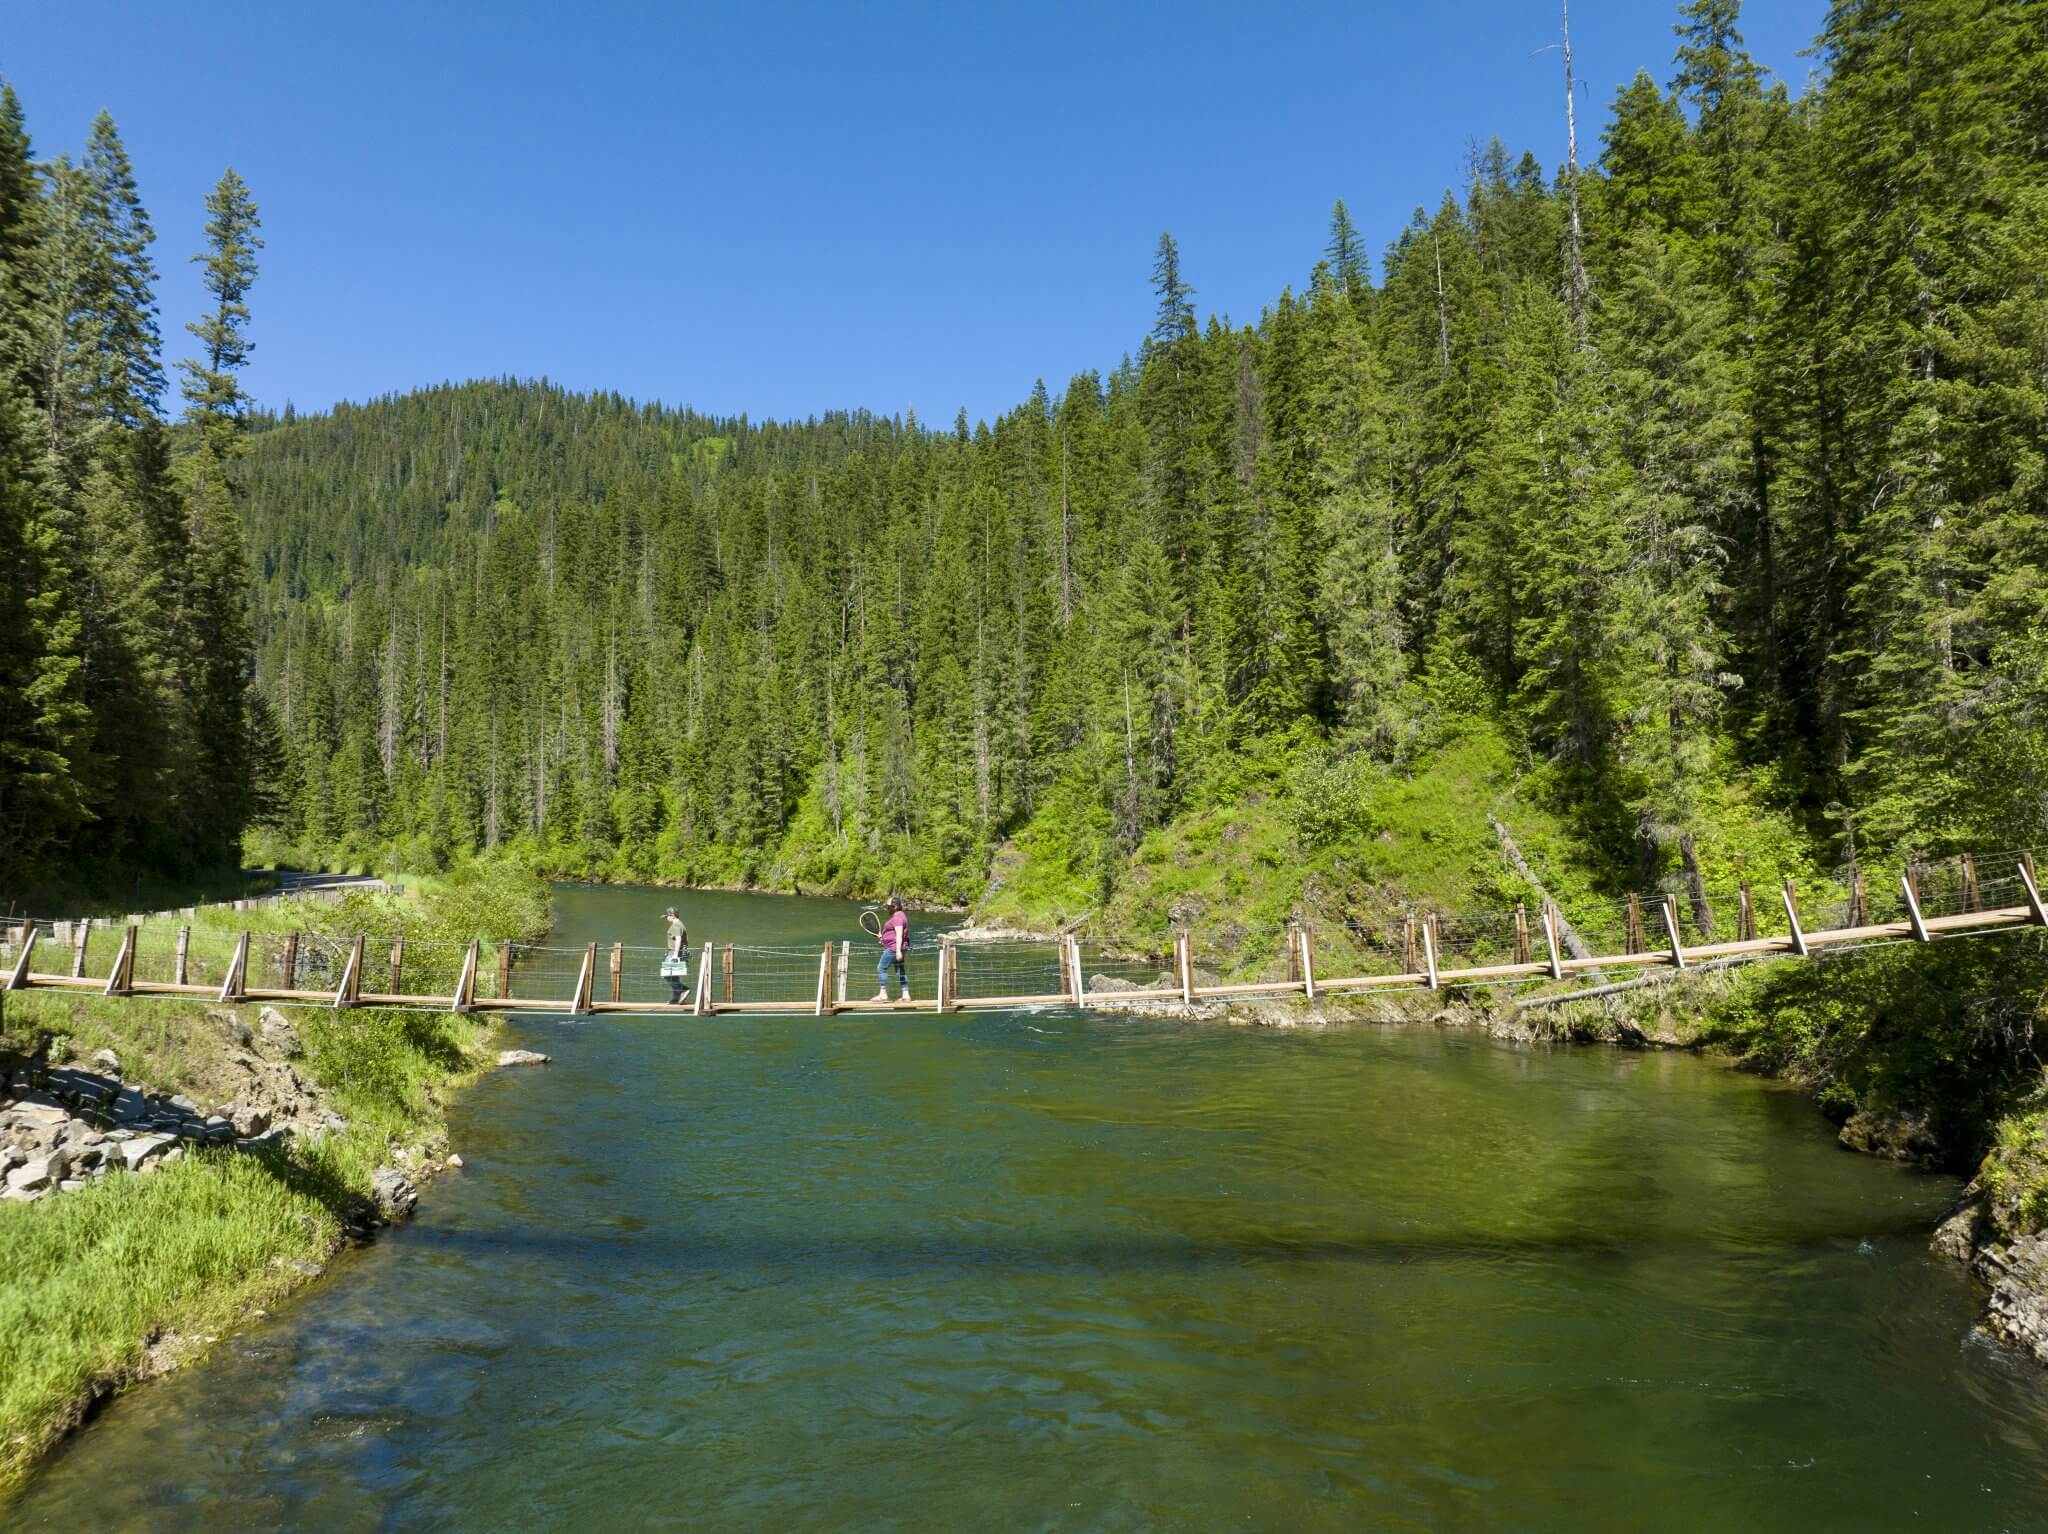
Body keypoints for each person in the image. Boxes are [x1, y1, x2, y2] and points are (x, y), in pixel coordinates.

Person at [871, 896, 910, 1002]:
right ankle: (905, 995)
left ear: (895, 906)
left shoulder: (897, 917)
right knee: (900, 970)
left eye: (889, 907)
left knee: (881, 968)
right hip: (899, 947)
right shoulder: (901, 915)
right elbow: (894, 933)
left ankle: (883, 995)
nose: (888, 909)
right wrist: (882, 937)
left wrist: (897, 951)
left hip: (894, 948)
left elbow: (899, 934)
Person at [662, 907, 688, 1004]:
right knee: (674, 976)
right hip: (676, 952)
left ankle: (682, 989)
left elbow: (678, 939)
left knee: (666, 974)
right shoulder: (680, 924)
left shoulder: (676, 925)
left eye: (666, 917)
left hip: (674, 953)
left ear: (671, 916)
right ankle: (677, 997)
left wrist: (675, 955)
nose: (666, 919)